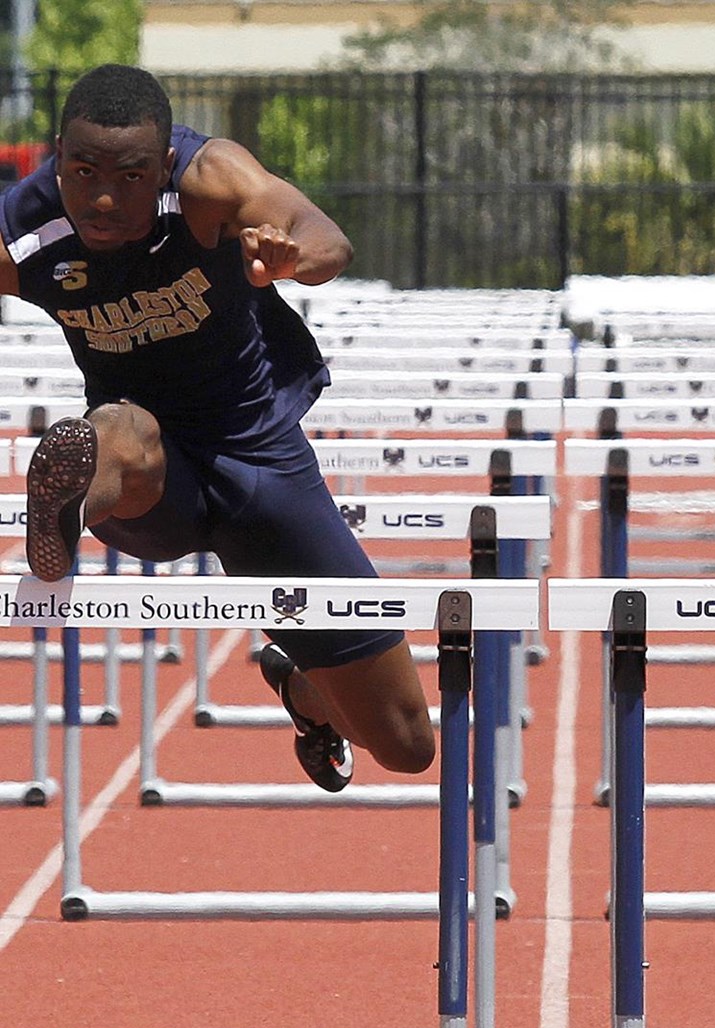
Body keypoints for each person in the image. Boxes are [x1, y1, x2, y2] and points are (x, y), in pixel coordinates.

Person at [1, 64, 432, 791]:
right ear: (56, 156)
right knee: (117, 428)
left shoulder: (209, 180)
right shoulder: (23, 230)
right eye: (82, 172)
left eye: (131, 176)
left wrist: (295, 257)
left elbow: (323, 233)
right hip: (147, 477)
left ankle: (301, 687)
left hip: (259, 460)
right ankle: (62, 512)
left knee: (408, 744)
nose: (103, 198)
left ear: (165, 164)